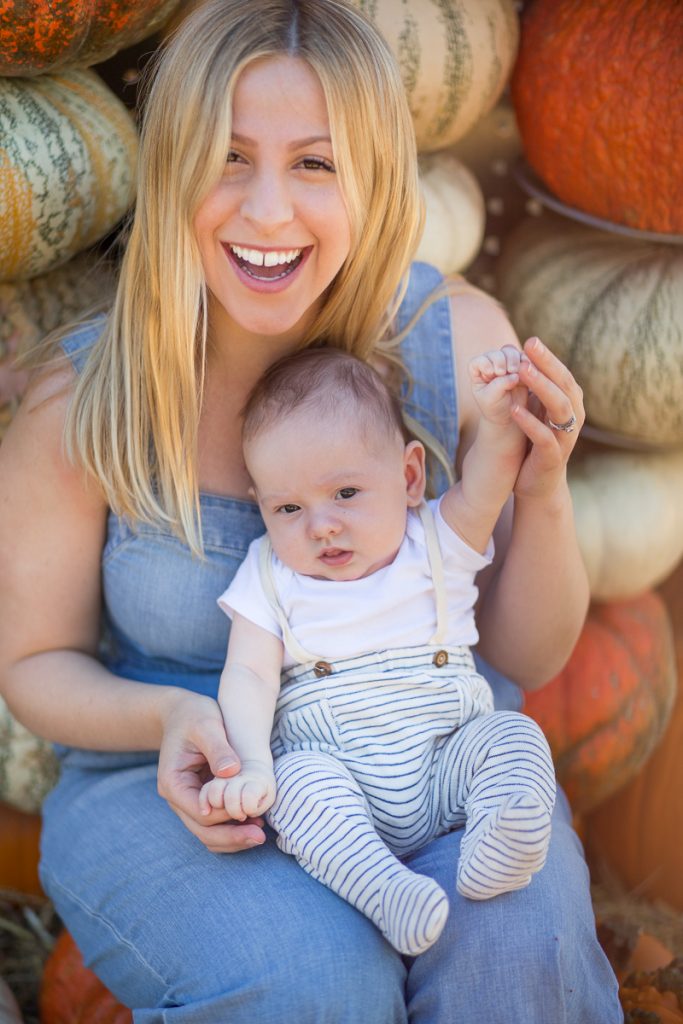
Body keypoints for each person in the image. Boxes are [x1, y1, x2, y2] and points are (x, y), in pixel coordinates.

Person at [0, 0, 623, 1020]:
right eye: (227, 157)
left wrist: (542, 488)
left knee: (513, 944)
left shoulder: (454, 346)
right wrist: (169, 715)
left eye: (315, 164)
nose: (266, 211)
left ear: (372, 180)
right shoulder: (87, 402)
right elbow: (32, 664)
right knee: (316, 980)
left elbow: (526, 650)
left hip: (417, 746)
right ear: (170, 173)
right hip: (175, 781)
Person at [200, 344, 557, 957]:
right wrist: (255, 764)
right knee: (298, 785)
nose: (320, 526)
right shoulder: (270, 575)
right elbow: (250, 675)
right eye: (288, 508)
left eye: (344, 493)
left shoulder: (438, 542)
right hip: (342, 778)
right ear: (262, 507)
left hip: (446, 763)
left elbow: (488, 482)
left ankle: (501, 835)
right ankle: (385, 890)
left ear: (409, 477)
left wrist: (500, 421)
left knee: (515, 737)